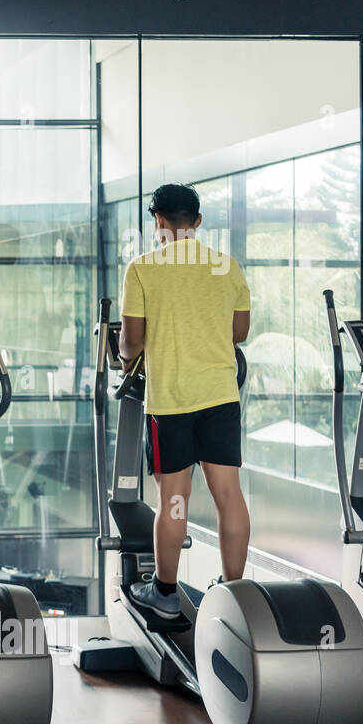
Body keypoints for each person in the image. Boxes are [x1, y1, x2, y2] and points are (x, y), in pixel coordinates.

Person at [120, 183, 251, 620]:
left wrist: (125, 356)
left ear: (157, 222)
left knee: (175, 498)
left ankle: (166, 593)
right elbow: (239, 333)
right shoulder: (225, 267)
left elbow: (132, 342)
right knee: (228, 495)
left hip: (172, 402)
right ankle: (235, 589)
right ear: (196, 222)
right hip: (219, 397)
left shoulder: (142, 269)